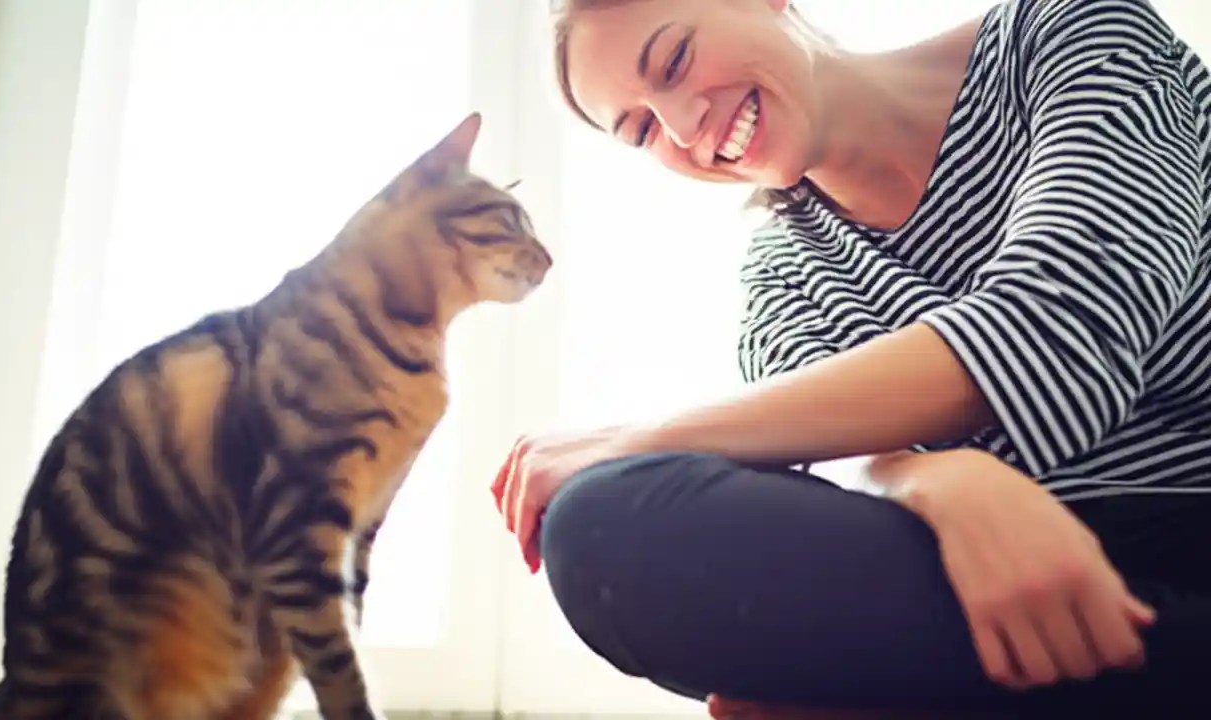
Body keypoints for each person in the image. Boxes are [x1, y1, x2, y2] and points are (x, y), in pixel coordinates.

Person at [490, 0, 1211, 717]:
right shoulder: (780, 272)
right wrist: (931, 475)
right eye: (643, 129)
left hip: (1188, 520)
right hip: (991, 578)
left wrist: (636, 438)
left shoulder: (1073, 35)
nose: (684, 129)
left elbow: (1058, 333)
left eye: (675, 59)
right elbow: (818, 461)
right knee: (598, 526)